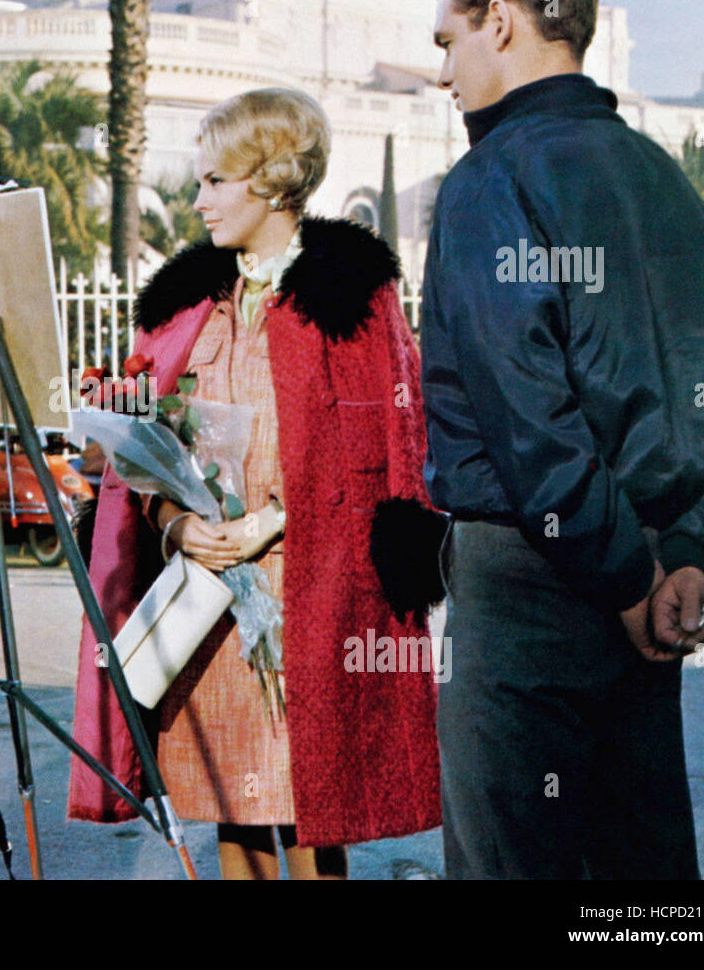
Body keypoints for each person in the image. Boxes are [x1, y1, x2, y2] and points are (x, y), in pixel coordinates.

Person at [421, 0, 704, 879]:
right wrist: (686, 556)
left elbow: (526, 413)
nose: (442, 72)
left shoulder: (491, 180)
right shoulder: (670, 184)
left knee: (514, 863)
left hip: (537, 580)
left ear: (501, 20)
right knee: (640, 887)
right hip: (646, 579)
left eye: (448, 42)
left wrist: (626, 578)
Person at [69, 87, 445, 879]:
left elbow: (388, 450)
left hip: (314, 593)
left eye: (215, 182)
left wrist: (272, 522)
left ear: (273, 182)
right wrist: (174, 521)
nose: (197, 200)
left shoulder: (355, 298)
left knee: (311, 816)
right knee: (231, 815)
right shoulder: (185, 307)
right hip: (205, 603)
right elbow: (143, 454)